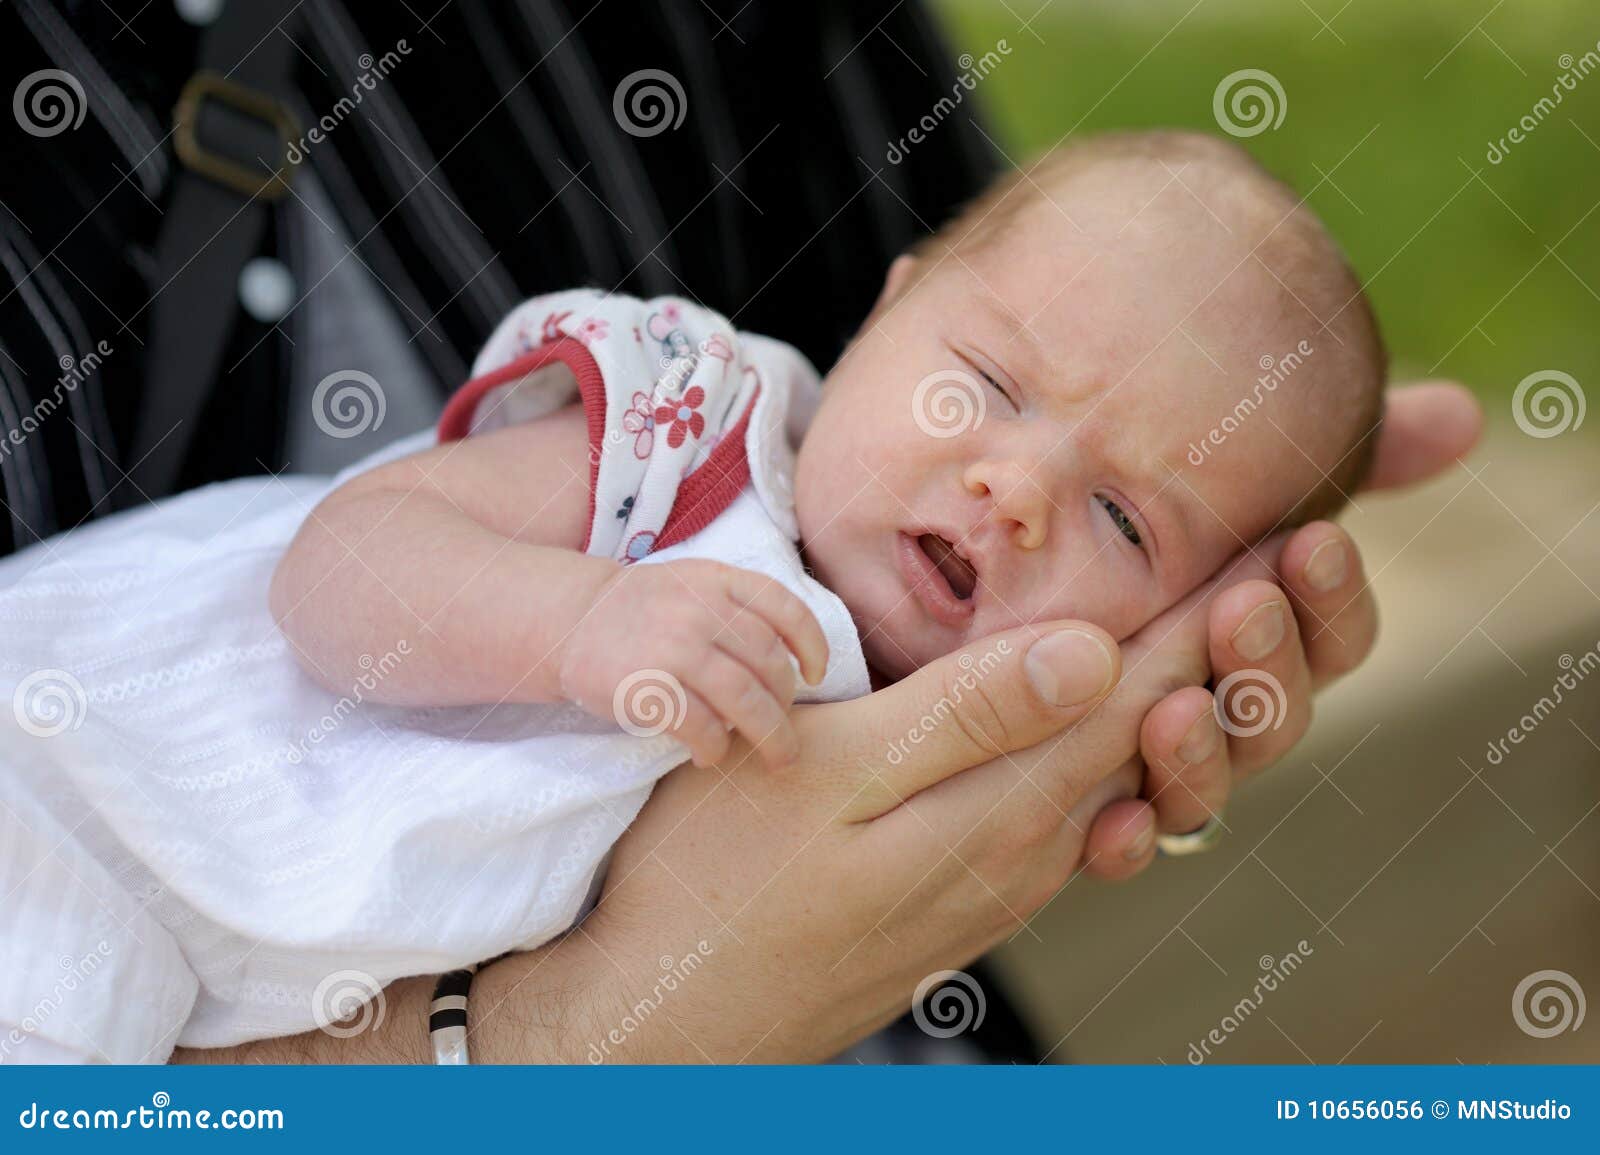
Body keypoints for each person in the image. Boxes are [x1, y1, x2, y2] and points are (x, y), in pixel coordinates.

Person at [0, 2, 1481, 1063]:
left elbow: (1066, 251)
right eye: (985, 388)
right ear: (884, 321)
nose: (1013, 486)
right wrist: (583, 625)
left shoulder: (946, 692)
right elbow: (340, 574)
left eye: (1120, 515)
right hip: (83, 808)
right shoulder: (684, 436)